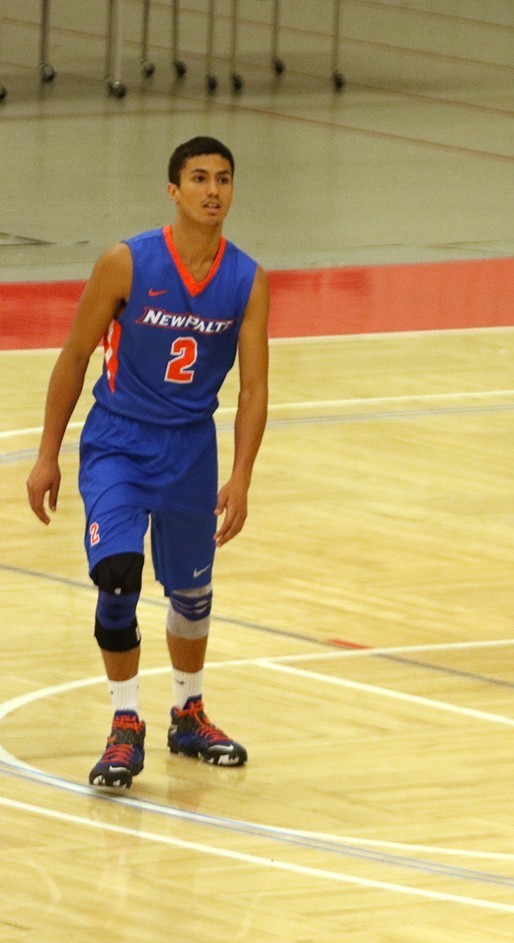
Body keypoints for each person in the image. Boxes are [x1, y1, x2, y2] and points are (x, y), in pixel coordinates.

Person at [26, 136, 270, 791]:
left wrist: (241, 473)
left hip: (192, 450)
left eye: (223, 178)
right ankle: (124, 722)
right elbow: (75, 355)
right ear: (173, 189)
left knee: (191, 597)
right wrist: (47, 454)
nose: (213, 190)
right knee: (117, 576)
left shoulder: (246, 278)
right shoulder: (127, 262)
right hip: (120, 443)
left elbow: (253, 388)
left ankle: (188, 713)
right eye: (198, 178)